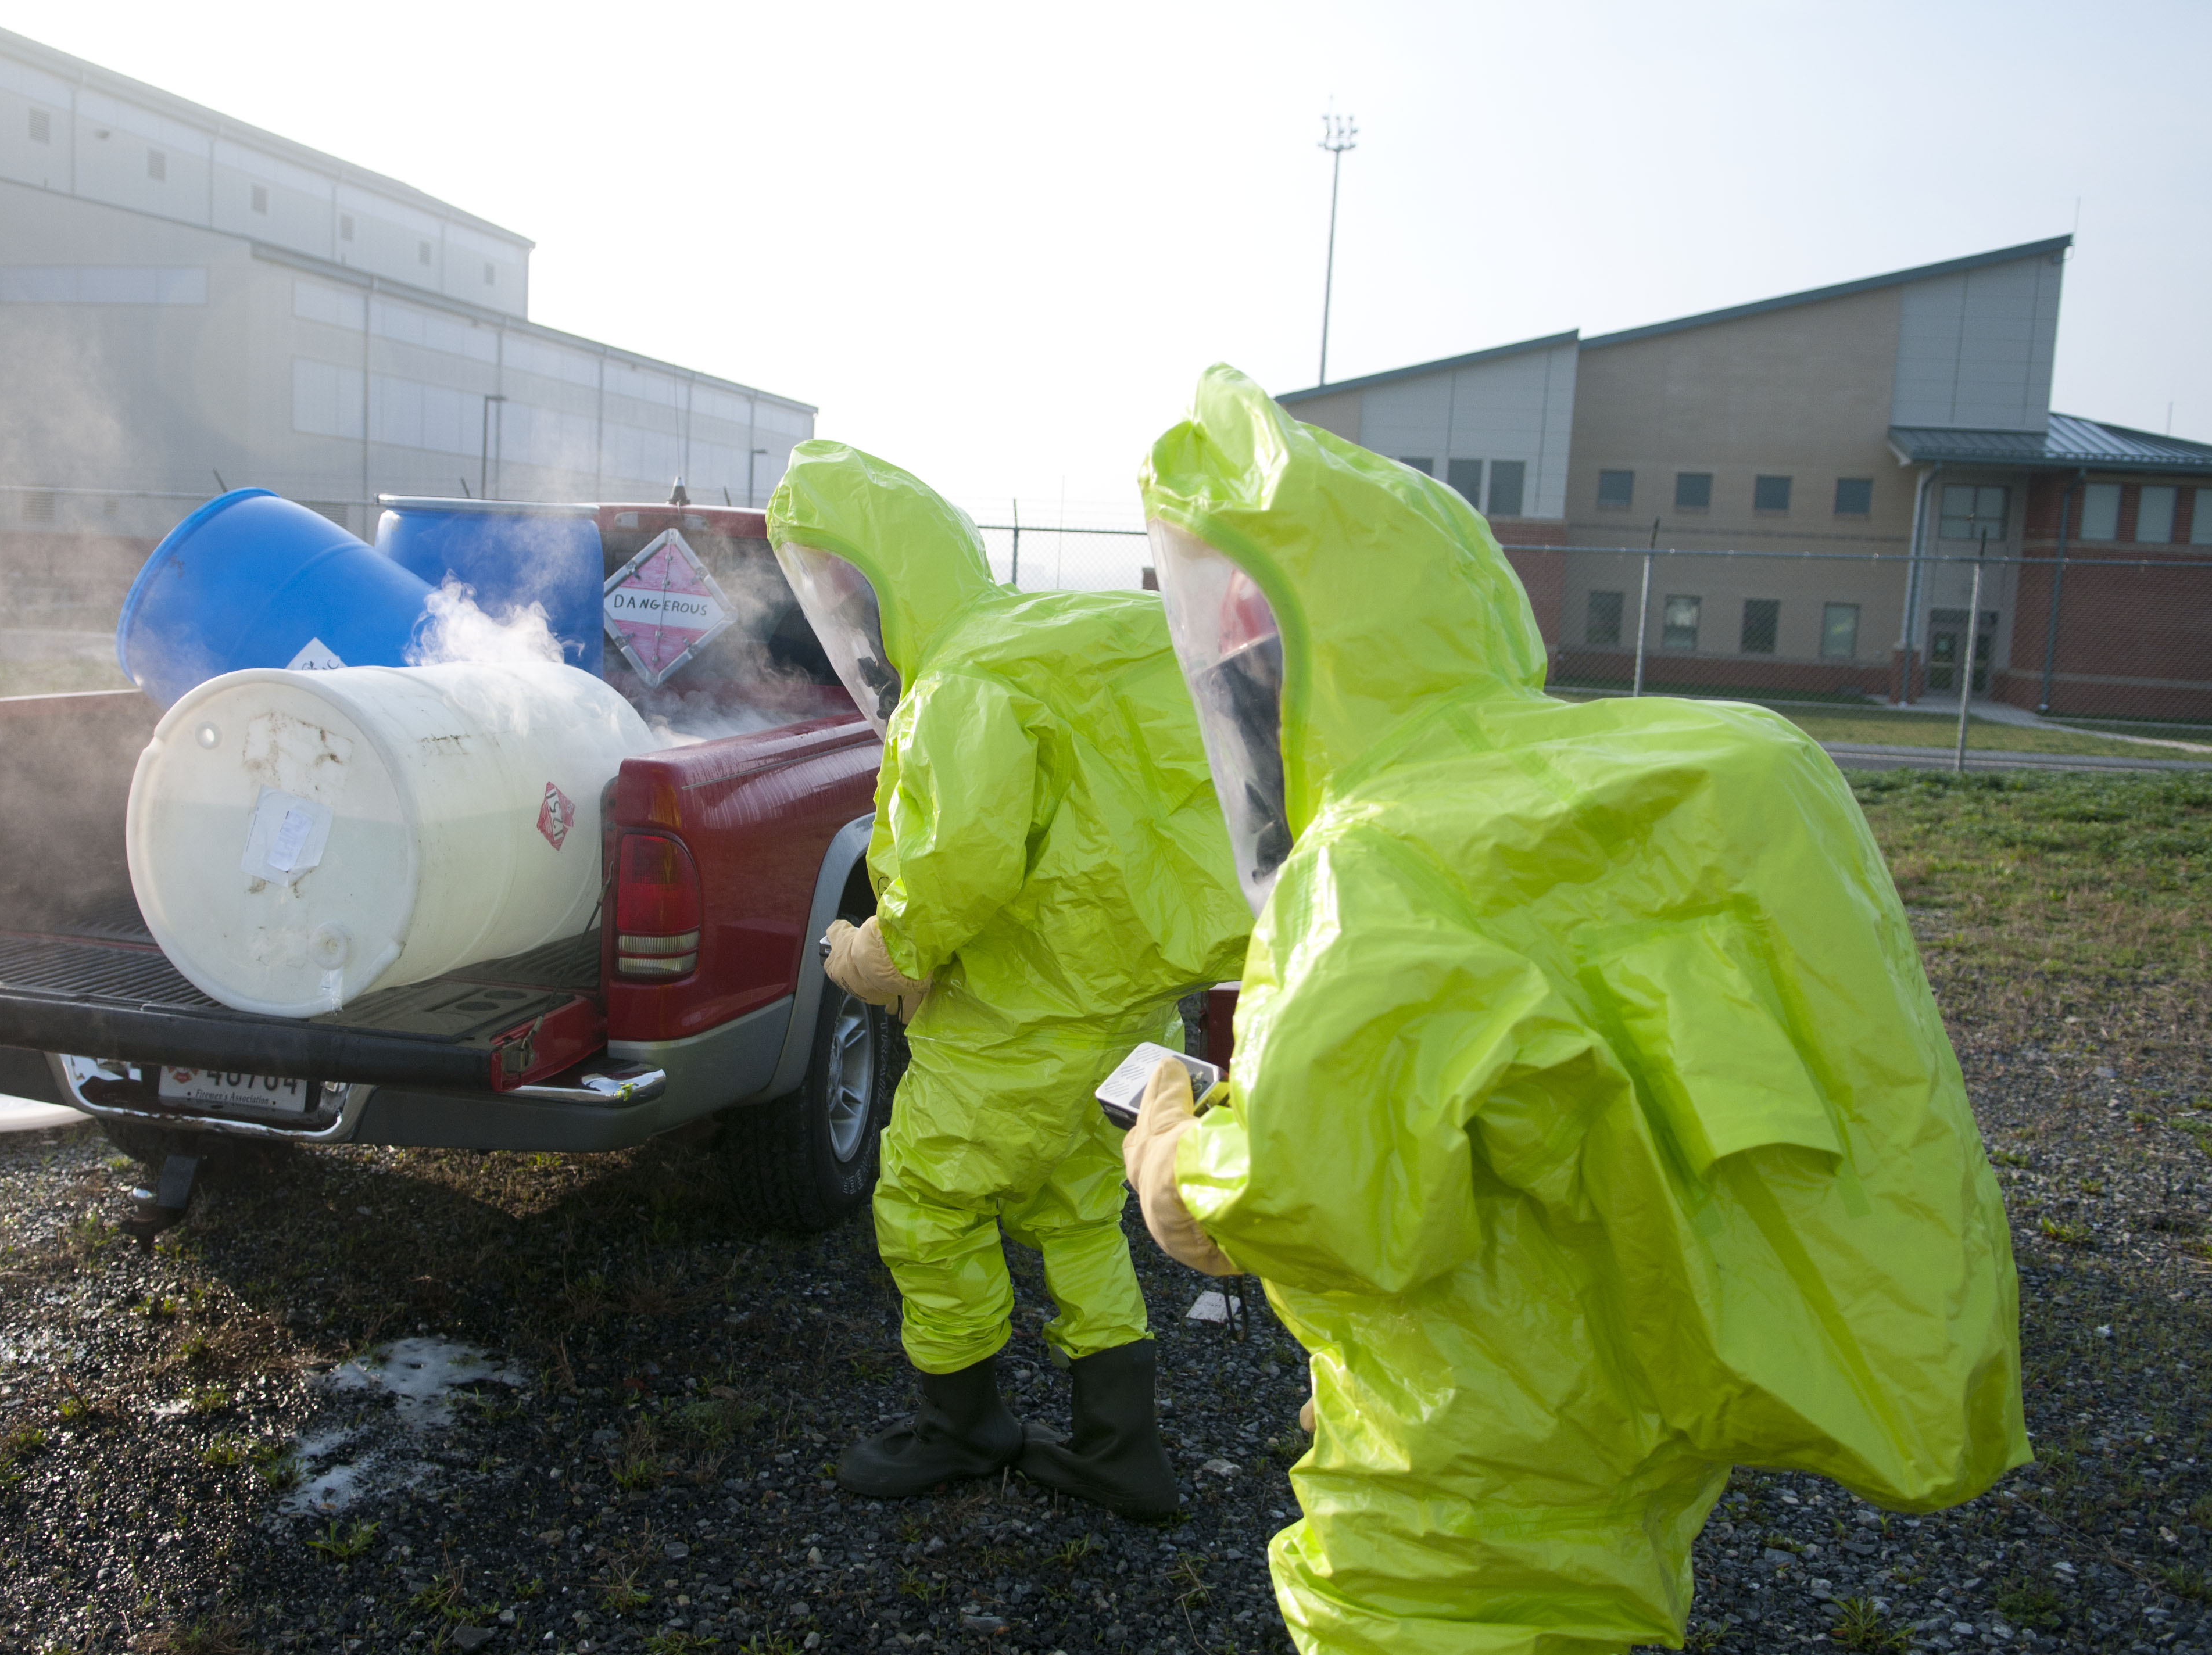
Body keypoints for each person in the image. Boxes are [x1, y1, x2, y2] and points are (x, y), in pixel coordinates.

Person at [1122, 364, 2029, 1653]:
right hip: (1627, 1430)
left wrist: (1170, 1161)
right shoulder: (1614, 795)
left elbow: (1313, 1194)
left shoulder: (1375, 858)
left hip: (1445, 1488)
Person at [768, 440, 1252, 1516]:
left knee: (928, 1202)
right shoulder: (1055, 636)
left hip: (1012, 1020)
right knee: (1078, 1210)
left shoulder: (966, 680)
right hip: (1121, 1001)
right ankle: (1118, 1446)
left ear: (885, 582)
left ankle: (963, 1422)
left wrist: (869, 956)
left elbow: (959, 870)